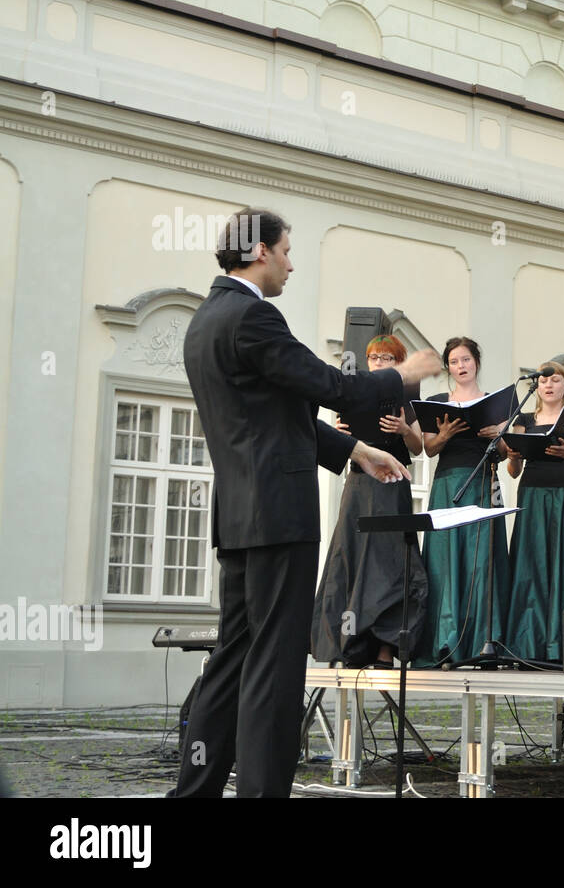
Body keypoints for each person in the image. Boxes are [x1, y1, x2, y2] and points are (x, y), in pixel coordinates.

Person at [175, 208, 440, 797]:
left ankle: (194, 792)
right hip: (278, 516)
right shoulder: (253, 316)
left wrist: (355, 450)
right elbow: (331, 385)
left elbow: (280, 414)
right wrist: (404, 375)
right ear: (260, 252)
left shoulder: (205, 320)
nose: (292, 263)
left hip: (242, 517)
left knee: (232, 656)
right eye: (287, 251)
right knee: (274, 664)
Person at [311, 335, 428, 669]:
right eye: (374, 357)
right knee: (352, 554)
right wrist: (339, 431)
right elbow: (337, 440)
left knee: (389, 562)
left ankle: (385, 649)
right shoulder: (354, 393)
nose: (378, 363)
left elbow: (419, 447)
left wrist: (405, 428)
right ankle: (349, 644)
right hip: (358, 485)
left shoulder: (406, 395)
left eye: (387, 358)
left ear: (398, 363)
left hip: (392, 485)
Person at [419, 337, 511, 664]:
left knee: (482, 560)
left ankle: (482, 641)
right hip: (447, 483)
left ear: (476, 362)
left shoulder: (494, 403)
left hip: (484, 481)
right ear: (449, 367)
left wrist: (495, 436)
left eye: (466, 360)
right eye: (455, 361)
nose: (461, 366)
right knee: (446, 558)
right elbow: (429, 448)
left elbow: (505, 453)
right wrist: (445, 434)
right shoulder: (436, 400)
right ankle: (445, 640)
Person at [502, 363, 564, 662]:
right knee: (531, 566)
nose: (548, 384)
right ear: (537, 387)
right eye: (543, 380)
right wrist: (513, 456)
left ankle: (563, 644)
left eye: (555, 380)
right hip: (532, 494)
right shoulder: (524, 419)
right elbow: (514, 472)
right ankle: (528, 644)